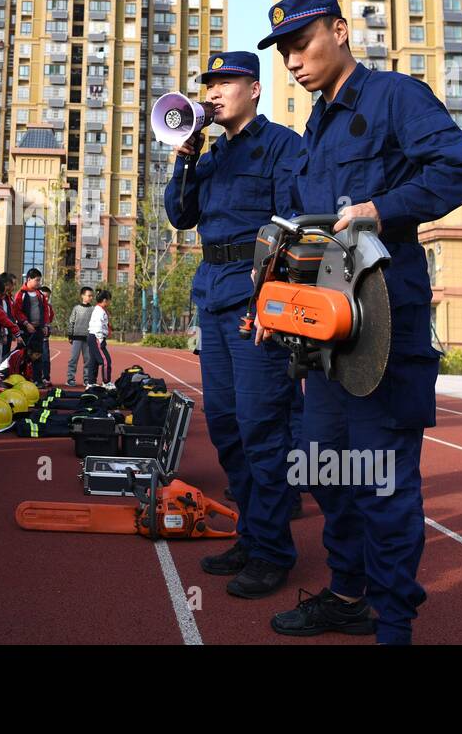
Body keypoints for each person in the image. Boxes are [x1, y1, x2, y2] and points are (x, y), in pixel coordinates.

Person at [258, 0, 462, 644]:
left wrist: (381, 209)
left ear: (340, 30)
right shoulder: (316, 126)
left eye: (302, 44)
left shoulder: (395, 98)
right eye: (284, 53)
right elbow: (309, 231)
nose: (293, 61)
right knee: (325, 465)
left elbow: (460, 168)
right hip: (324, 329)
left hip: (384, 326)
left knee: (382, 478)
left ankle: (393, 625)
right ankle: (348, 593)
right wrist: (271, 300)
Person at [163, 49, 304, 601]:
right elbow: (180, 215)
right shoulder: (210, 154)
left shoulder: (283, 147)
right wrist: (186, 158)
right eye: (210, 84)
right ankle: (252, 534)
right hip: (212, 295)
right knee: (225, 424)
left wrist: (273, 301)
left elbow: (294, 230)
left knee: (262, 427)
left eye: (227, 82)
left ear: (255, 89)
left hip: (255, 297)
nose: (214, 93)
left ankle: (273, 552)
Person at [12, 269, 48, 383]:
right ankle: (18, 379)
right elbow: (16, 311)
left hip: (38, 330)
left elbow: (45, 311)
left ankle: (37, 380)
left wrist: (45, 325)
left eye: (39, 280)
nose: (39, 283)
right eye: (36, 280)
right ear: (28, 279)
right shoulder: (21, 294)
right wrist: (26, 323)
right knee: (23, 354)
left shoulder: (40, 295)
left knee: (38, 355)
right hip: (25, 330)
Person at [66, 287, 97, 386]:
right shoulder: (76, 308)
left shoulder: (93, 309)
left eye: (92, 296)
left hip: (88, 338)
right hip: (76, 338)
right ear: (82, 296)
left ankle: (86, 379)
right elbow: (71, 322)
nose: (90, 297)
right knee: (73, 359)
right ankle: (71, 378)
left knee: (88, 360)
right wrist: (70, 335)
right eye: (88, 295)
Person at [87, 289, 113, 385]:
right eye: (109, 300)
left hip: (93, 337)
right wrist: (101, 339)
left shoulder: (100, 310)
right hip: (97, 337)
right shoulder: (99, 311)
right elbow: (98, 325)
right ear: (105, 300)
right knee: (105, 361)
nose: (110, 302)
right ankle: (106, 382)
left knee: (93, 361)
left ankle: (91, 382)